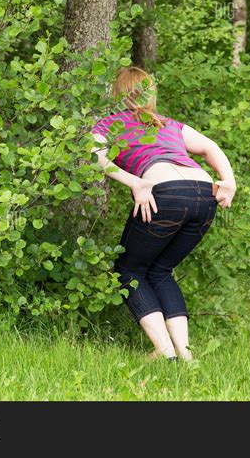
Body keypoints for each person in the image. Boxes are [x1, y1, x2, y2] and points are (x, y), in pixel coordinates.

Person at [91, 66, 236, 361]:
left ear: (117, 94)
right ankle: (185, 355)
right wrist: (229, 181)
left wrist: (136, 182)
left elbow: (94, 155)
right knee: (160, 271)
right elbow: (210, 147)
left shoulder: (109, 124)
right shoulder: (169, 124)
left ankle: (164, 350)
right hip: (204, 194)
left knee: (128, 270)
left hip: (167, 192)